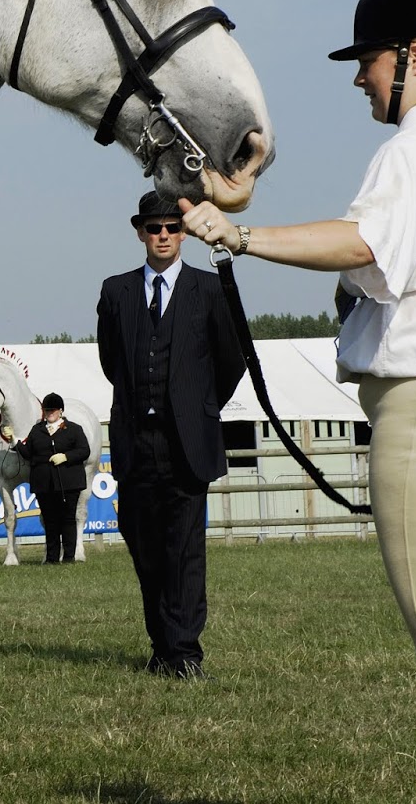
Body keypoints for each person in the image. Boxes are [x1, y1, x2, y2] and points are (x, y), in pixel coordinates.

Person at [179, 0, 416, 803]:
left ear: (413, 57)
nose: (360, 78)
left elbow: (363, 244)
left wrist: (240, 234)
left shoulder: (415, 149)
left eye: (370, 60)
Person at [96, 191, 244, 680]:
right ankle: (160, 646)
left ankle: (184, 653)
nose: (163, 235)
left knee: (184, 548)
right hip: (136, 440)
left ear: (184, 234)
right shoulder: (116, 292)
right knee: (144, 546)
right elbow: (110, 362)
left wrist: (198, 407)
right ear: (139, 231)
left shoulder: (208, 289)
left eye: (172, 228)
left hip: (187, 443)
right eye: (154, 227)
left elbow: (231, 360)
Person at [13, 394, 91, 564]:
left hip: (69, 483)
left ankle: (69, 556)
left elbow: (84, 451)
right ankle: (51, 557)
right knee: (50, 521)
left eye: (53, 410)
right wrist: (15, 442)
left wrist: (66, 456)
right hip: (44, 484)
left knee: (68, 519)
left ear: (60, 411)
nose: (49, 413)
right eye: (47, 410)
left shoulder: (74, 429)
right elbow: (28, 454)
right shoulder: (37, 430)